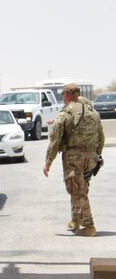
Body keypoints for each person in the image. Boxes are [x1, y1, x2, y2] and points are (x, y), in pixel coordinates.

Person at [43, 82, 105, 237]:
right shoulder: (93, 113)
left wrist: (48, 162)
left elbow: (55, 141)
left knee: (77, 191)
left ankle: (89, 226)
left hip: (74, 158)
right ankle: (75, 220)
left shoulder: (65, 114)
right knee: (80, 189)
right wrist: (96, 155)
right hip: (91, 158)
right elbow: (101, 137)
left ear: (66, 95)